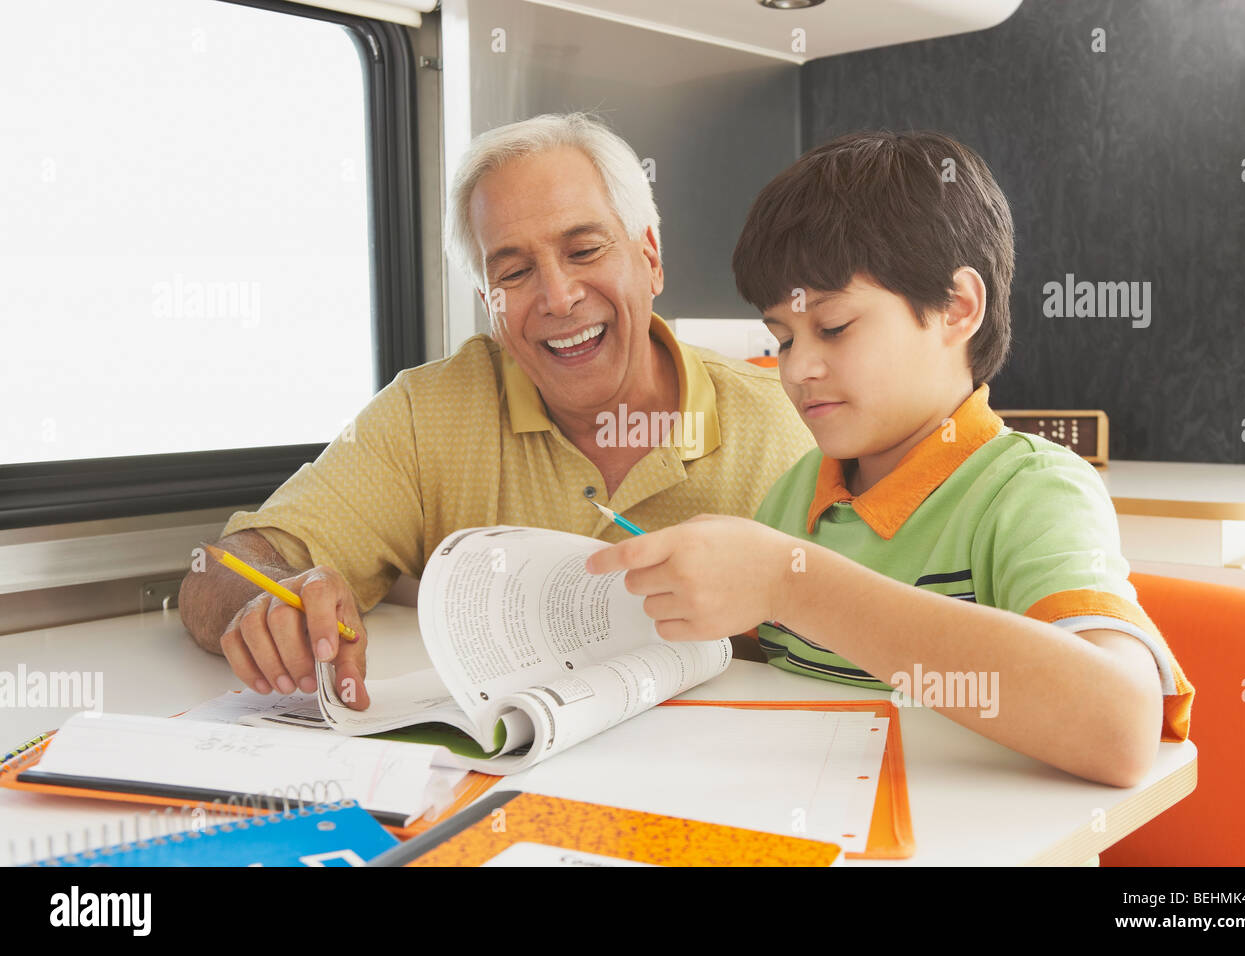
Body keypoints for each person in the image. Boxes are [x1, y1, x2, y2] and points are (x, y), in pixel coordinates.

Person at [586, 130, 1194, 788]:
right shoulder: (796, 494)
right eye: (782, 339)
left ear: (957, 308)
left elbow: (1122, 730)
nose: (798, 368)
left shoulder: (1034, 493)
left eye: (835, 327)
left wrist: (791, 583)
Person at [179, 113, 815, 708]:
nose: (558, 298)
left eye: (585, 250)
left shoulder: (791, 422)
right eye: (513, 272)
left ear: (649, 258)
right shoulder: (424, 415)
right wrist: (266, 601)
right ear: (488, 300)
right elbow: (222, 564)